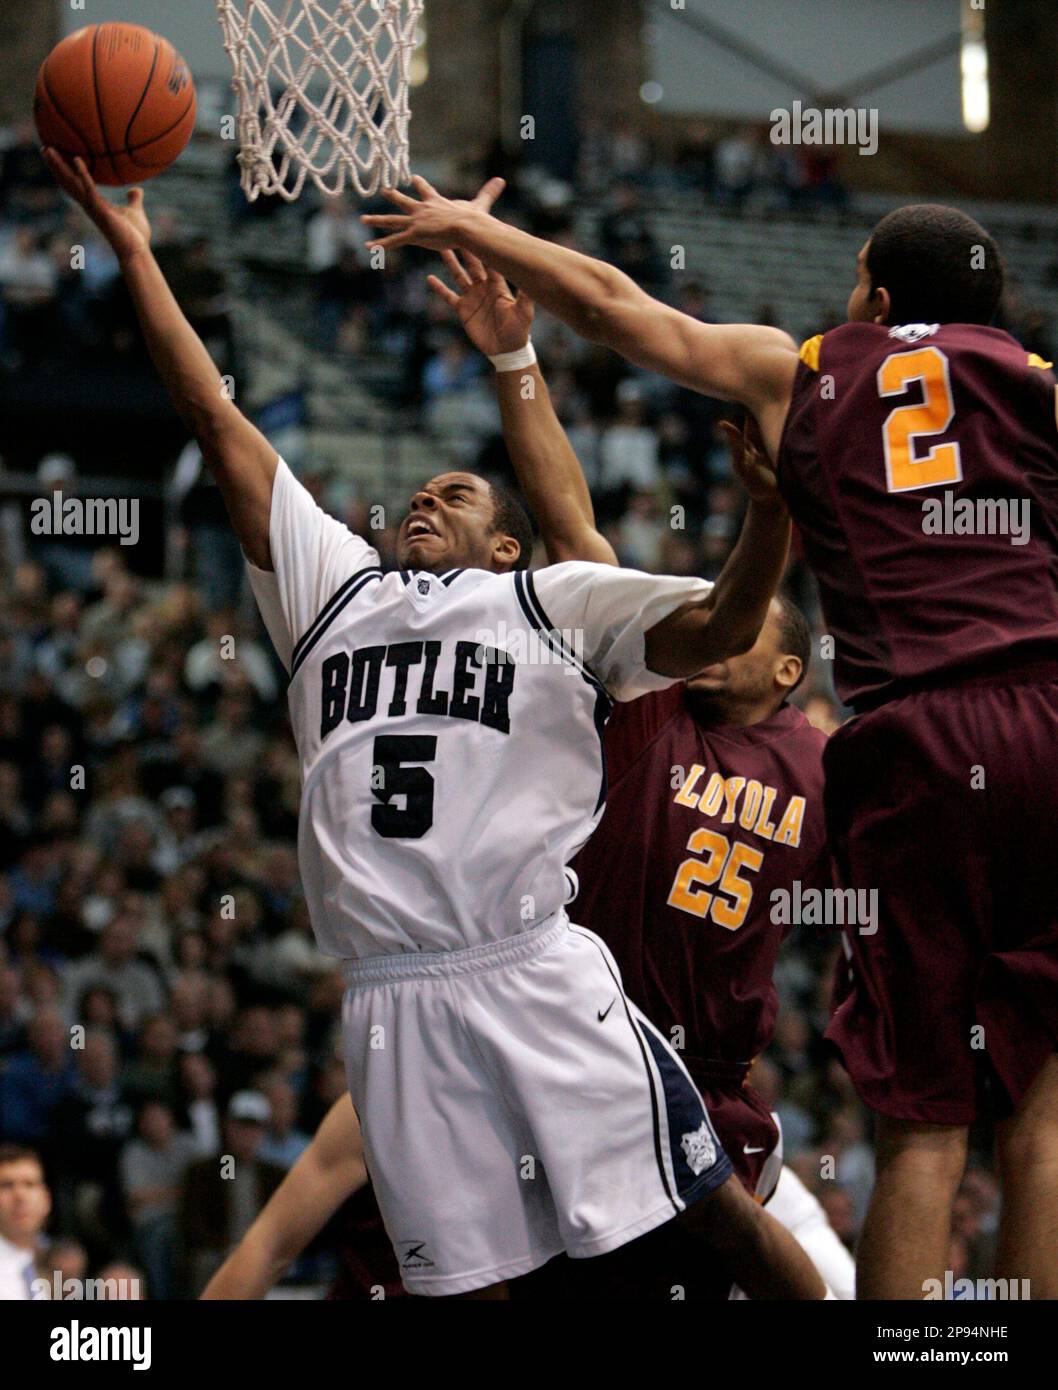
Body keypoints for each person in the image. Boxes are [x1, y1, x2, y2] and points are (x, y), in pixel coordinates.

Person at [44, 148, 824, 1301]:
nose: (425, 495)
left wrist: (763, 515)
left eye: (457, 494)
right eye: (419, 490)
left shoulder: (548, 599)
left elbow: (713, 624)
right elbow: (213, 417)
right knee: (464, 1291)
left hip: (532, 969)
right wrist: (137, 257)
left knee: (720, 1224)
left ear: (504, 544)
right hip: (391, 994)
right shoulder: (332, 596)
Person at [366, 182, 1058, 1301]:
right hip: (1041, 711)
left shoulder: (809, 369)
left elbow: (609, 304)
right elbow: (587, 541)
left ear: (873, 298)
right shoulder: (1033, 390)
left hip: (918, 732)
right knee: (1040, 1118)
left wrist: (471, 226)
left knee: (923, 1122)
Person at [430, 250, 830, 1299]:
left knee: (730, 1251)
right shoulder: (647, 697)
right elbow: (572, 529)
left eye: (743, 624)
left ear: (786, 668)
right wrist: (516, 356)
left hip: (712, 1078)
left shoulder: (823, 757)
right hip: (583, 1041)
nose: (707, 615)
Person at [0, 1144, 52, 1300]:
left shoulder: (43, 1269)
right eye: (6, 1185)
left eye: (30, 1184)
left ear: (46, 1200)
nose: (20, 1195)